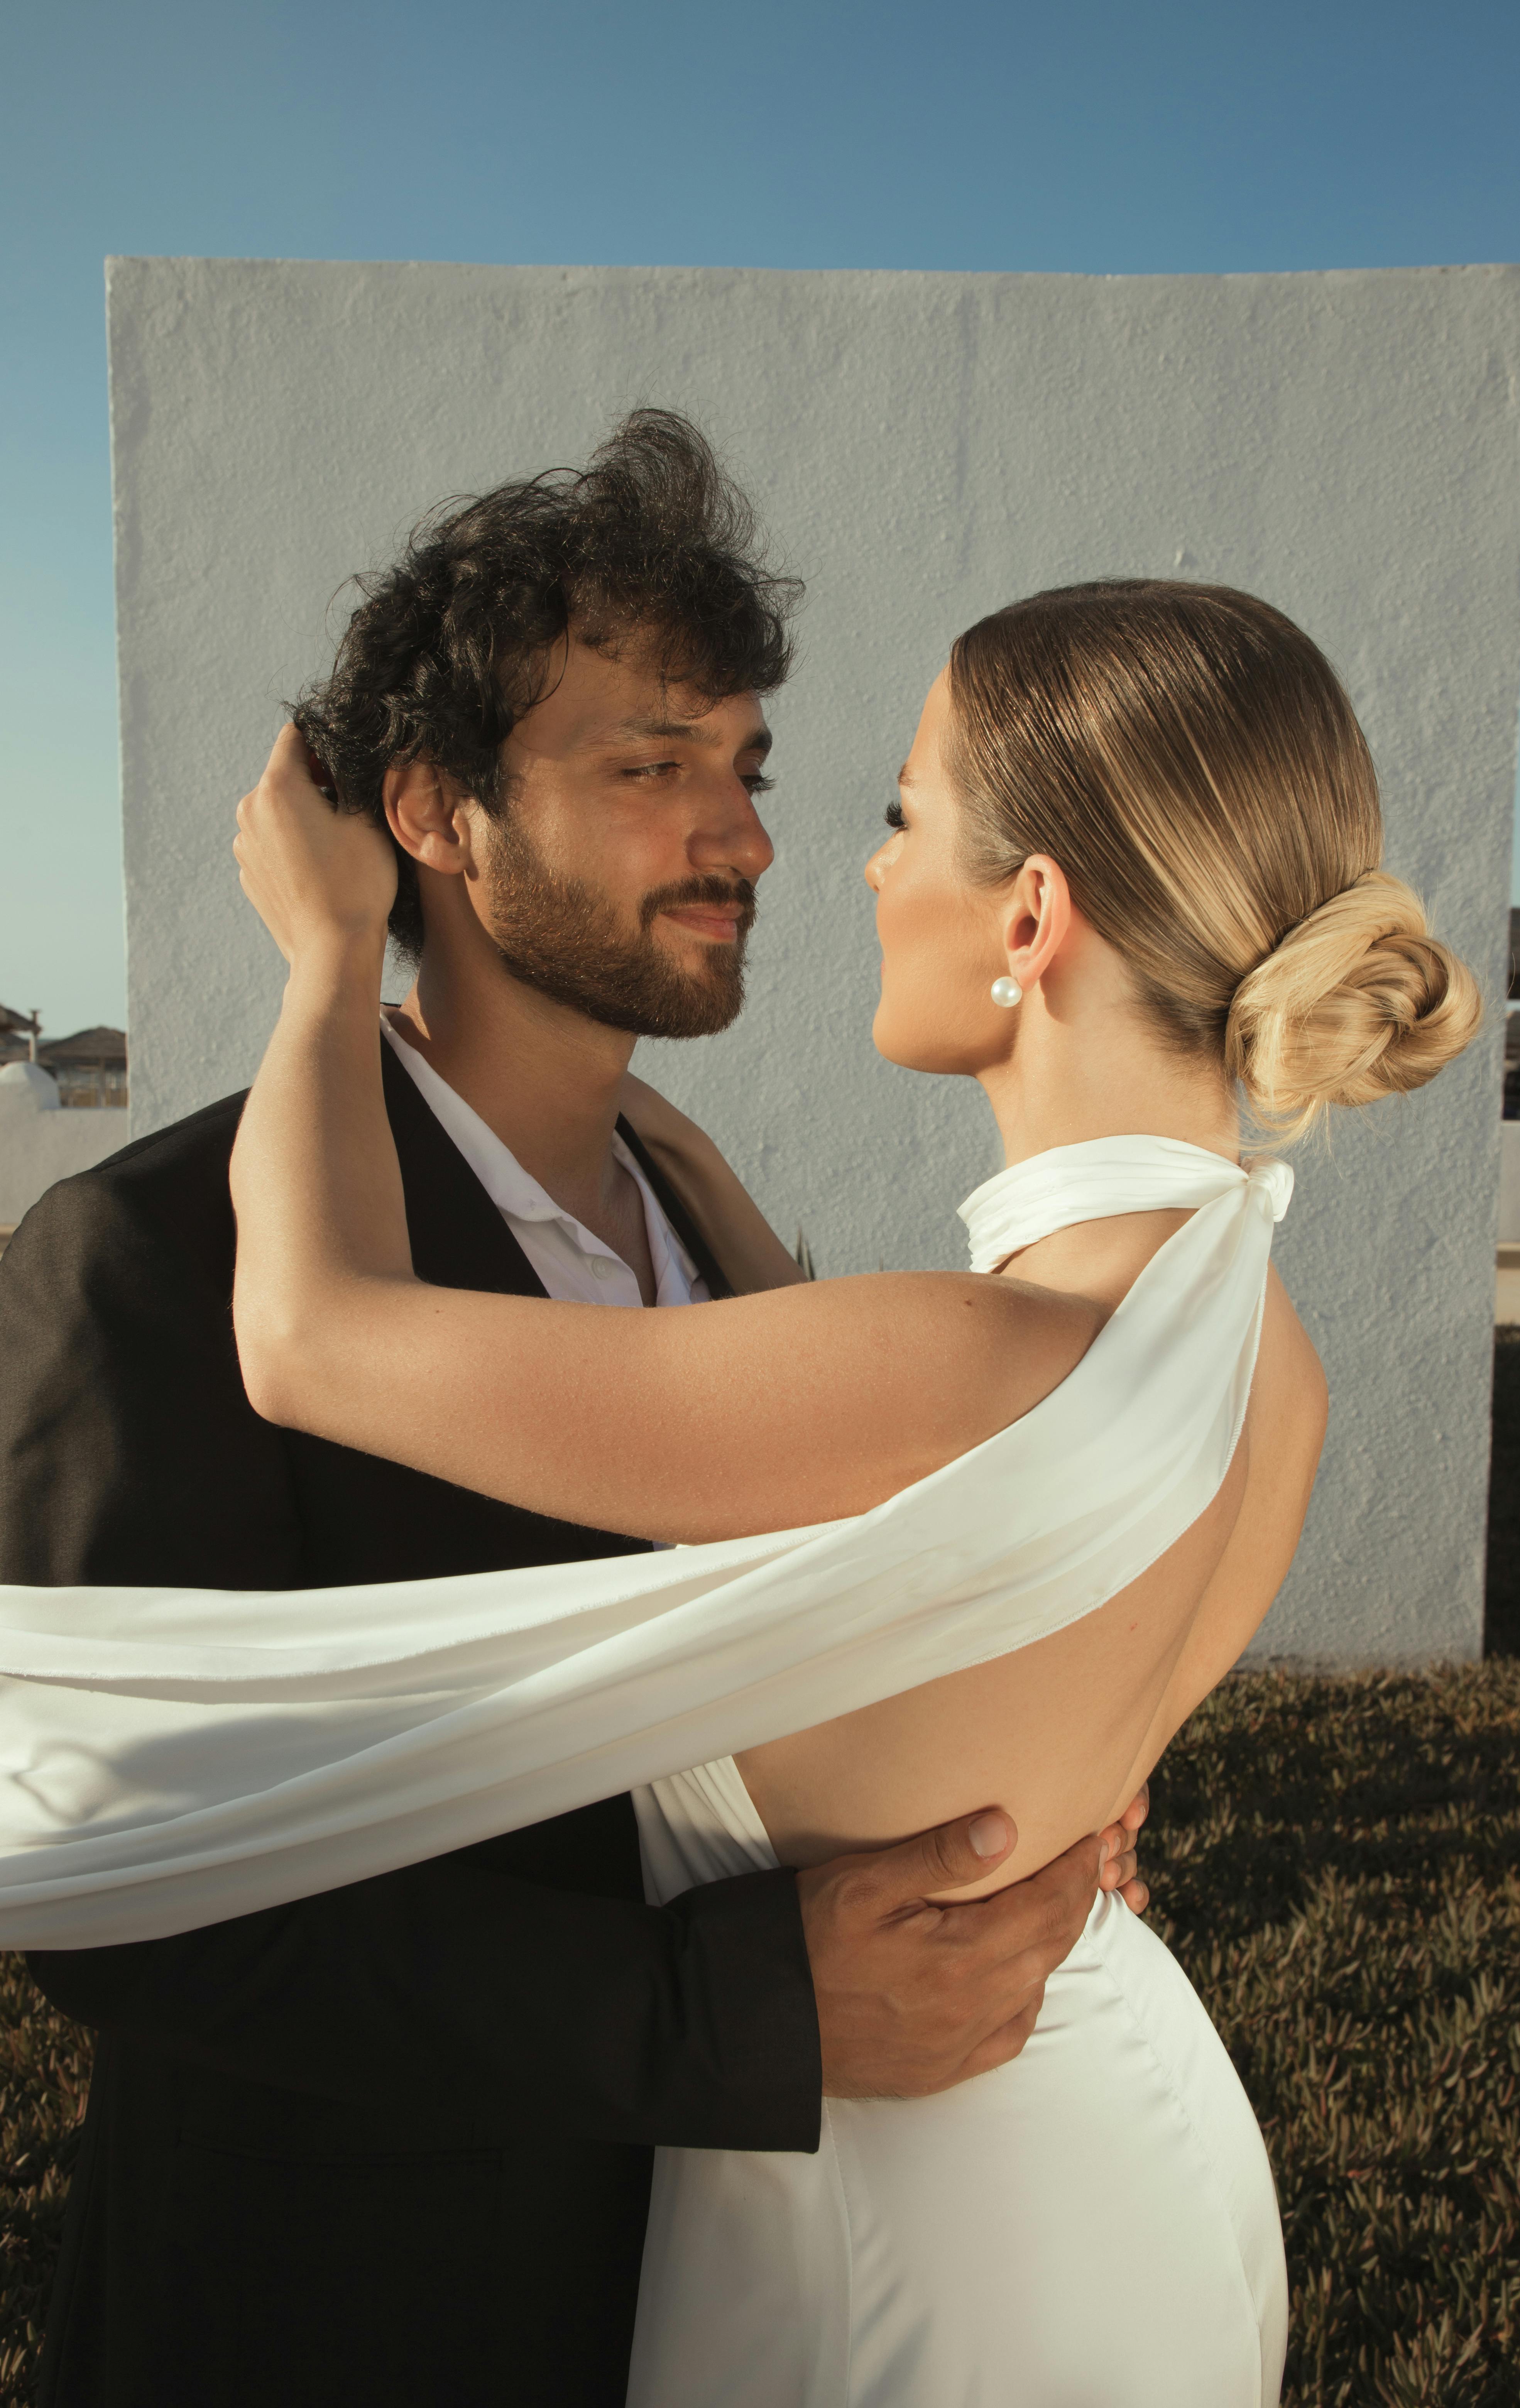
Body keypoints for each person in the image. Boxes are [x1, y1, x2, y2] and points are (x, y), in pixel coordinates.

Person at [218, 572, 1483, 2404]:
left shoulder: (966, 1360)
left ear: (1029, 916)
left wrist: (331, 955)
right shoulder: (1257, 1344)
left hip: (905, 2225)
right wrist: (682, 1165)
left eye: (901, 816)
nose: (860, 868)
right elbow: (922, 1566)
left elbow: (310, 1340)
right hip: (1114, 2154)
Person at [0, 415, 1146, 2408]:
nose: (748, 835)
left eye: (747, 768)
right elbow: (118, 1903)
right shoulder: (143, 1254)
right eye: (652, 768)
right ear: (435, 814)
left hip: (744, 2301)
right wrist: (734, 2013)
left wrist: (1011, 1791)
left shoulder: (711, 1234)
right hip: (351, 2318)